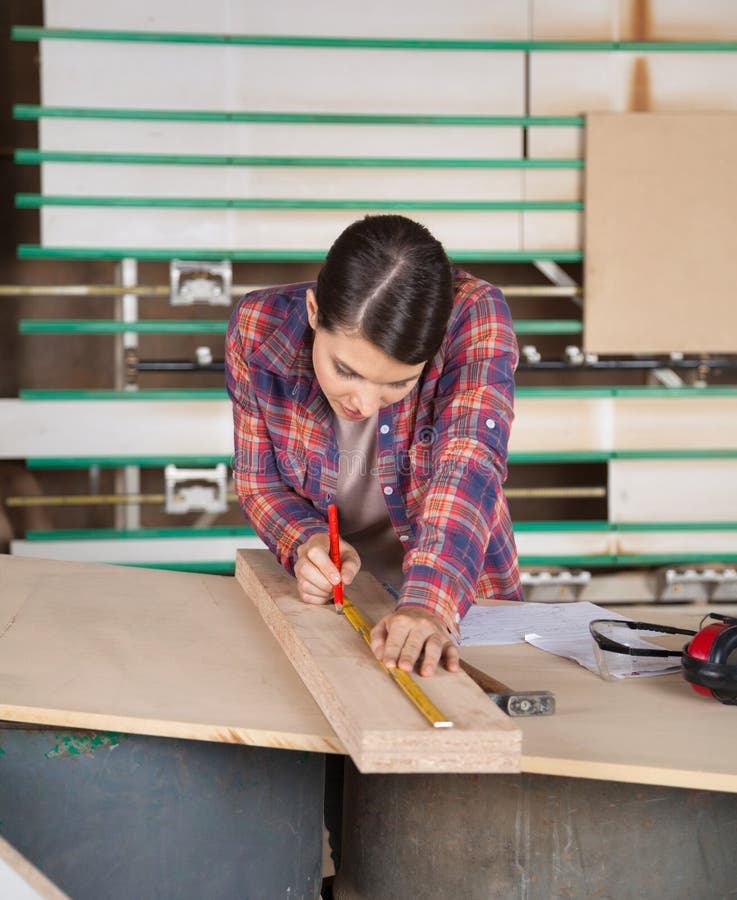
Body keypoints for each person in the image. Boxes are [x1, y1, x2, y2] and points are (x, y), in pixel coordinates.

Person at [225, 214, 523, 678]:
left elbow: (468, 464)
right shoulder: (257, 327)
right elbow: (259, 483)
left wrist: (428, 605)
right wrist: (307, 542)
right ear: (312, 312)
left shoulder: (475, 315)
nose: (363, 403)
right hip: (340, 607)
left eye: (398, 382)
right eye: (345, 370)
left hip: (457, 598)